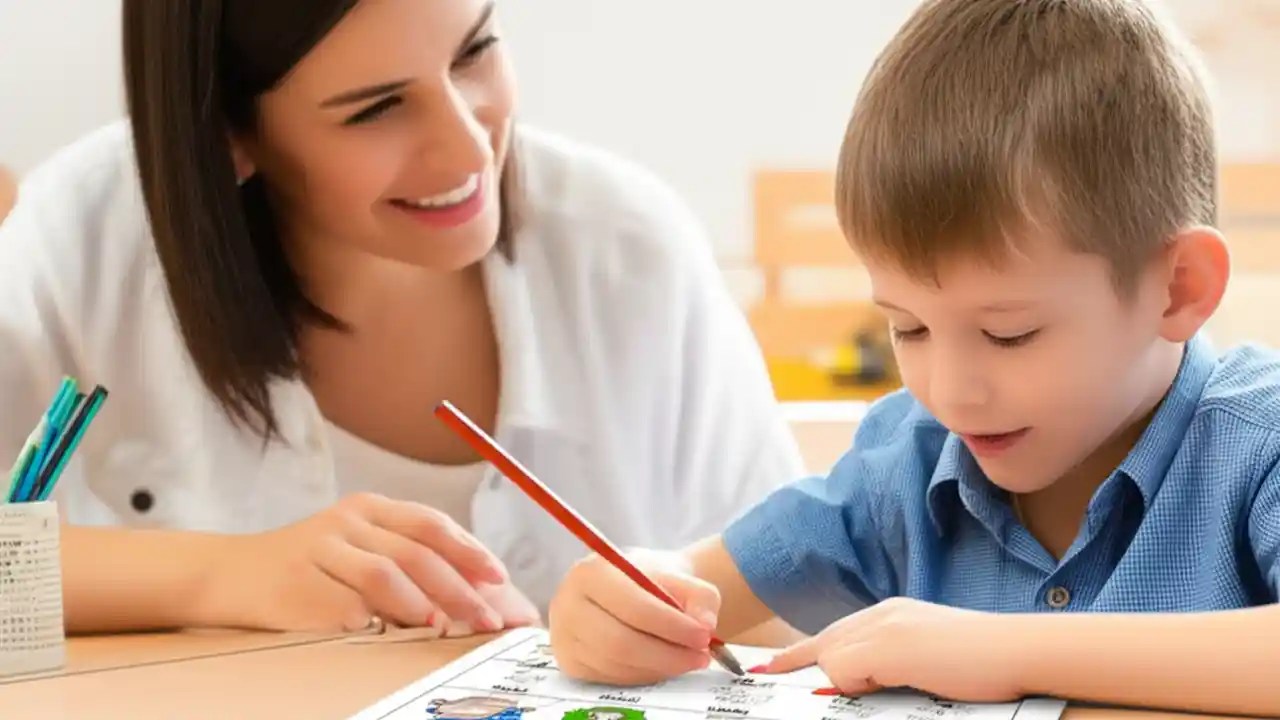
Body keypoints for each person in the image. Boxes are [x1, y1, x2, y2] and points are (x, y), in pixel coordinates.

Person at [547, 1, 1280, 716]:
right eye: (909, 329)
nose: (950, 393)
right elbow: (691, 584)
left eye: (1009, 334)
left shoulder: (1258, 442)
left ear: (1179, 288)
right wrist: (628, 602)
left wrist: (1005, 652)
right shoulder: (906, 462)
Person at [0, 0, 803, 636]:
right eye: (377, 108)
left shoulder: (627, 245)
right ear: (229, 136)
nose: (468, 149)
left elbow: (799, 591)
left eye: (474, 50)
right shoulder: (83, 239)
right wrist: (231, 574)